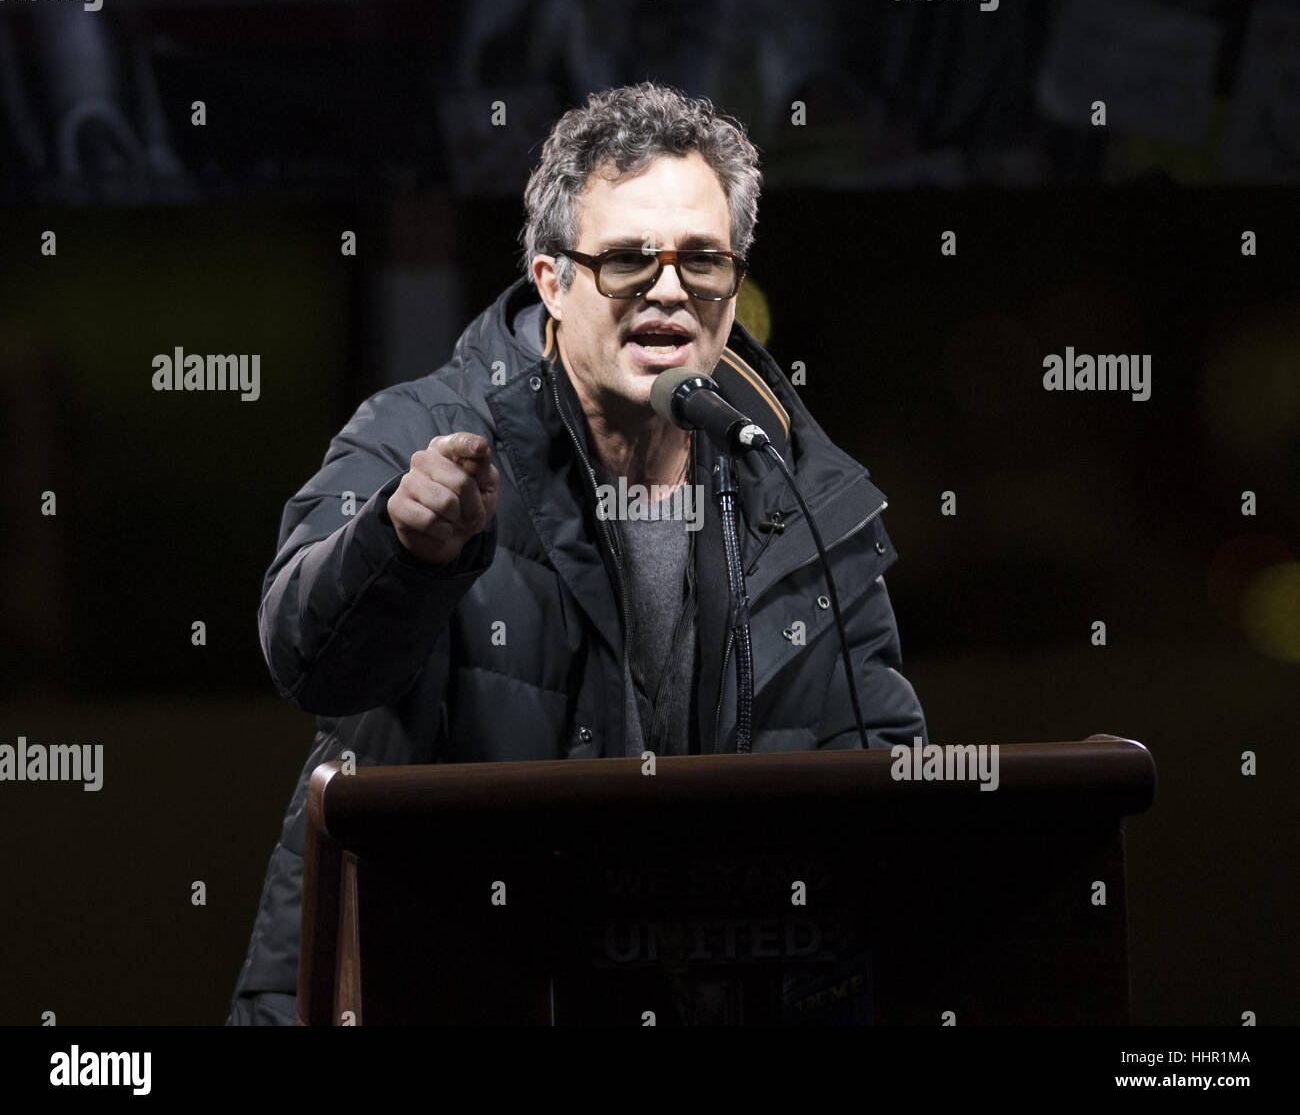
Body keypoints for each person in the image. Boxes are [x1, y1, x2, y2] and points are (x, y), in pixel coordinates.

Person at [226, 80, 926, 1026]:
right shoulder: (422, 431)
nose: (669, 288)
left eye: (702, 261)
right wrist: (399, 547)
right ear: (552, 282)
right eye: (631, 259)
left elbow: (893, 799)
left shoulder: (799, 488)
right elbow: (306, 655)